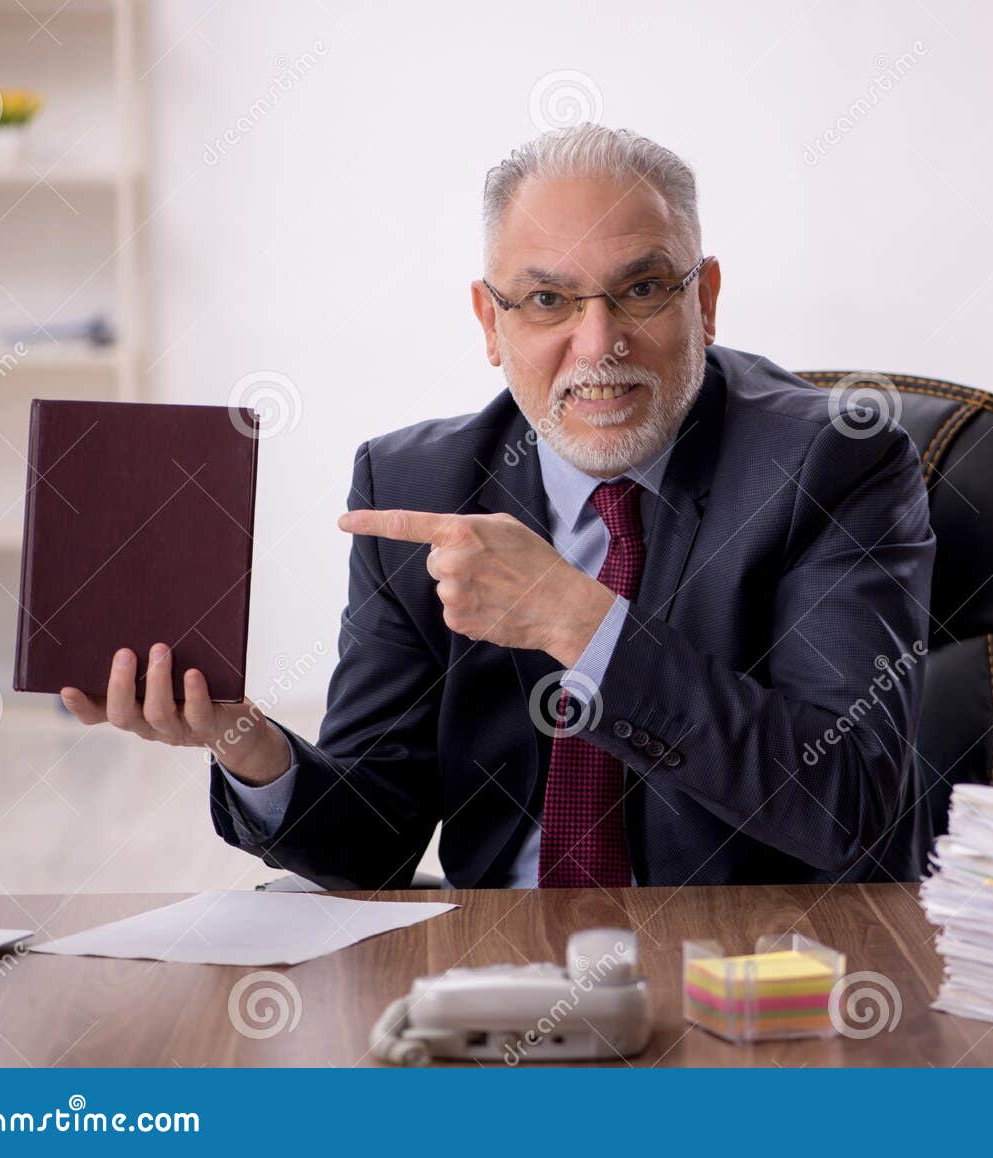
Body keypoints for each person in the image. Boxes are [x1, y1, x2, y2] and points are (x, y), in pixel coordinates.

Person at [60, 124, 937, 890]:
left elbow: (847, 803)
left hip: (752, 977)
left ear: (702, 300)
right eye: (548, 299)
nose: (598, 344)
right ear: (490, 321)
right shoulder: (416, 489)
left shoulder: (833, 464)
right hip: (496, 977)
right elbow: (373, 842)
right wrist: (243, 738)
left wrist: (582, 625)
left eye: (641, 290)